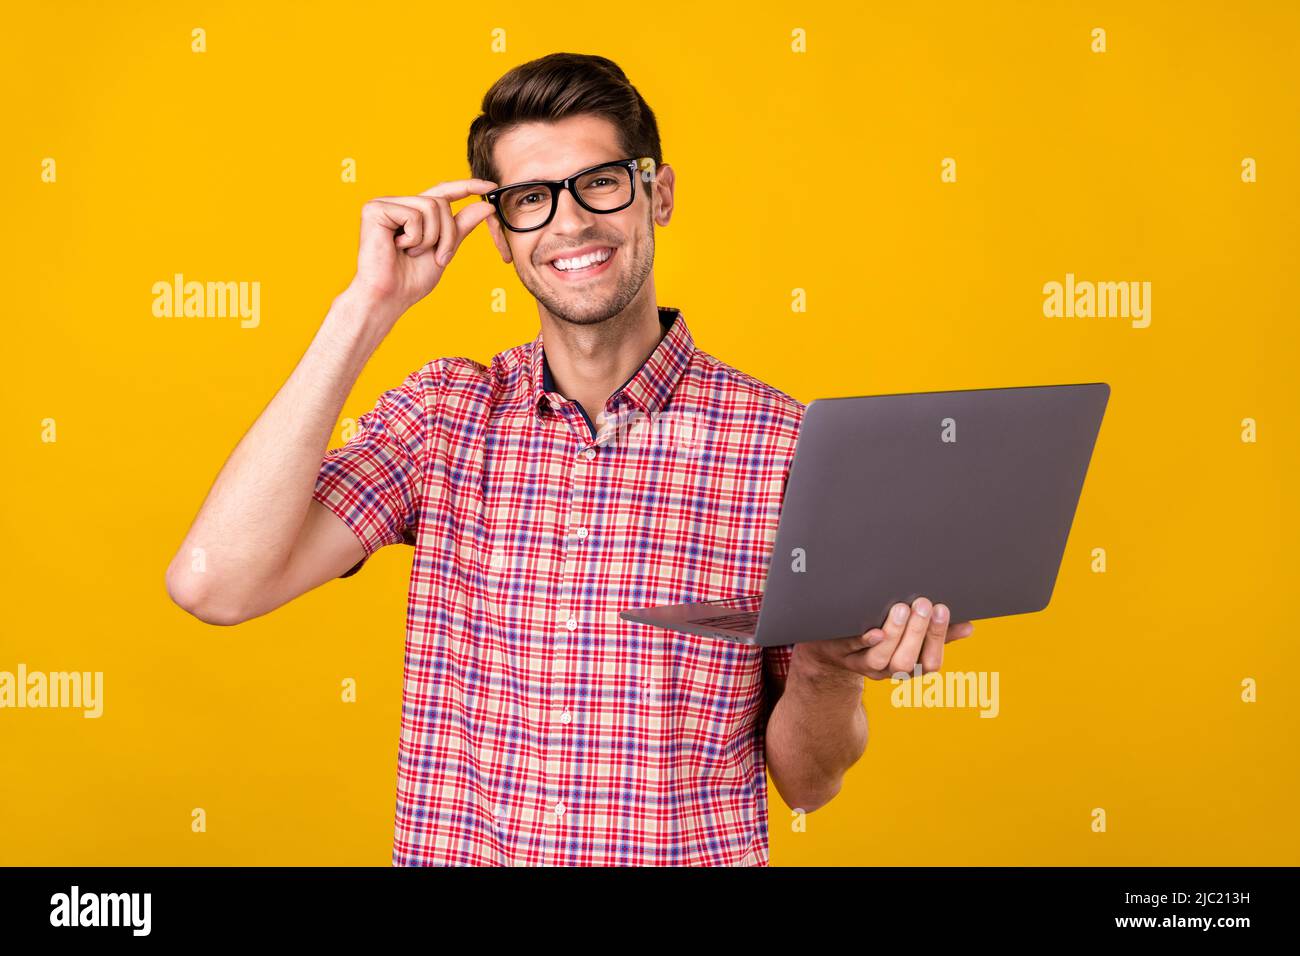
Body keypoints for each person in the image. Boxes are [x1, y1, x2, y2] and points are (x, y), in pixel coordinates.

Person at [165, 52, 974, 866]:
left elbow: (808, 783)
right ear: (503, 238)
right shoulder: (445, 416)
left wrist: (832, 669)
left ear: (656, 193)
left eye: (601, 182)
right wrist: (366, 308)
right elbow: (214, 583)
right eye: (530, 199)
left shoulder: (788, 446)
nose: (569, 222)